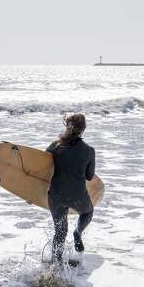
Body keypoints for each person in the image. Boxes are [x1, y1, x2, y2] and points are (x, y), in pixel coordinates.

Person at [45, 113, 95, 265]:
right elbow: (89, 176)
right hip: (77, 195)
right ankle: (77, 232)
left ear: (67, 126)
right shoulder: (89, 150)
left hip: (56, 196)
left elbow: (42, 169)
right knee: (87, 212)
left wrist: (30, 194)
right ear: (83, 129)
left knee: (60, 232)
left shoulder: (54, 146)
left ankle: (56, 265)